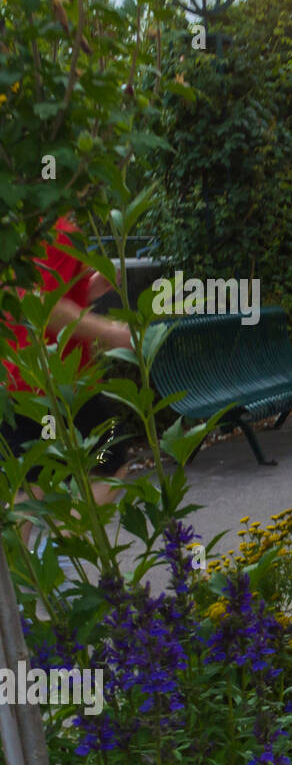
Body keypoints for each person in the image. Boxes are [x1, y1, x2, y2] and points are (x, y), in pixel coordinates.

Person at [1, 216, 133, 554]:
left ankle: (19, 588)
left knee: (28, 483)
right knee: (110, 457)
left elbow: (35, 294)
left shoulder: (21, 224)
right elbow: (46, 307)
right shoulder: (58, 227)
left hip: (17, 377)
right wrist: (113, 332)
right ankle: (63, 544)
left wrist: (91, 287)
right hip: (58, 380)